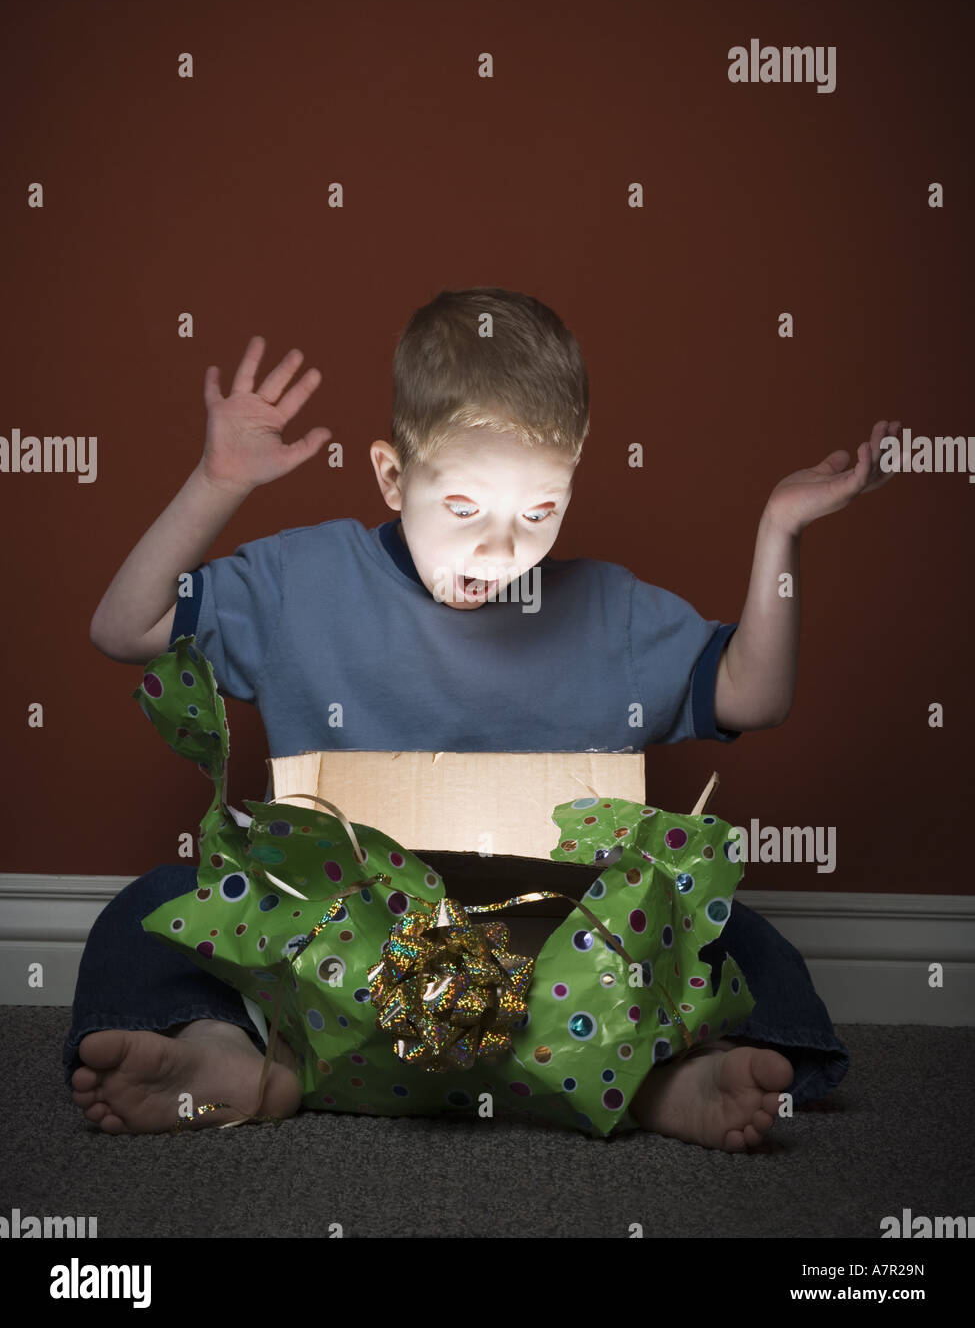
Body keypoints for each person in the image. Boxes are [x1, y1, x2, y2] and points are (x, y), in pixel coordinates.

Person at [67, 288, 896, 1150]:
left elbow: (751, 696)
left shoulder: (604, 610)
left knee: (739, 936)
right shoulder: (300, 582)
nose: (501, 550)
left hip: (557, 971)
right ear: (393, 475)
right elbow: (122, 629)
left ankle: (651, 1078)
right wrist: (216, 483)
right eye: (464, 509)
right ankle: (230, 1055)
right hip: (335, 957)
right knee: (151, 907)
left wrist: (780, 530)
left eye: (539, 512)